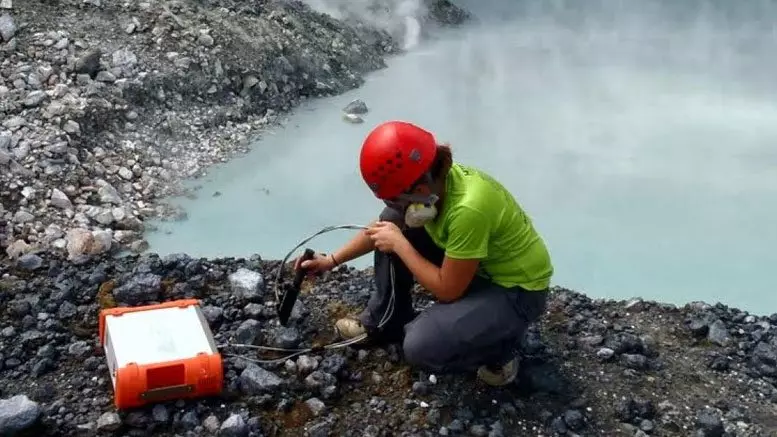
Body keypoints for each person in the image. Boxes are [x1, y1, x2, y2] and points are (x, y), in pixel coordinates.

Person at [295, 120, 553, 386]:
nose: (391, 205)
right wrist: (331, 261)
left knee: (421, 346)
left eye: (393, 198)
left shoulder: (468, 210)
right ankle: (386, 322)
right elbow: (383, 227)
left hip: (517, 291)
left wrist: (401, 245)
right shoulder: (435, 183)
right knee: (392, 225)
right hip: (478, 268)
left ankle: (502, 351)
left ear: (418, 191)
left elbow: (448, 290)